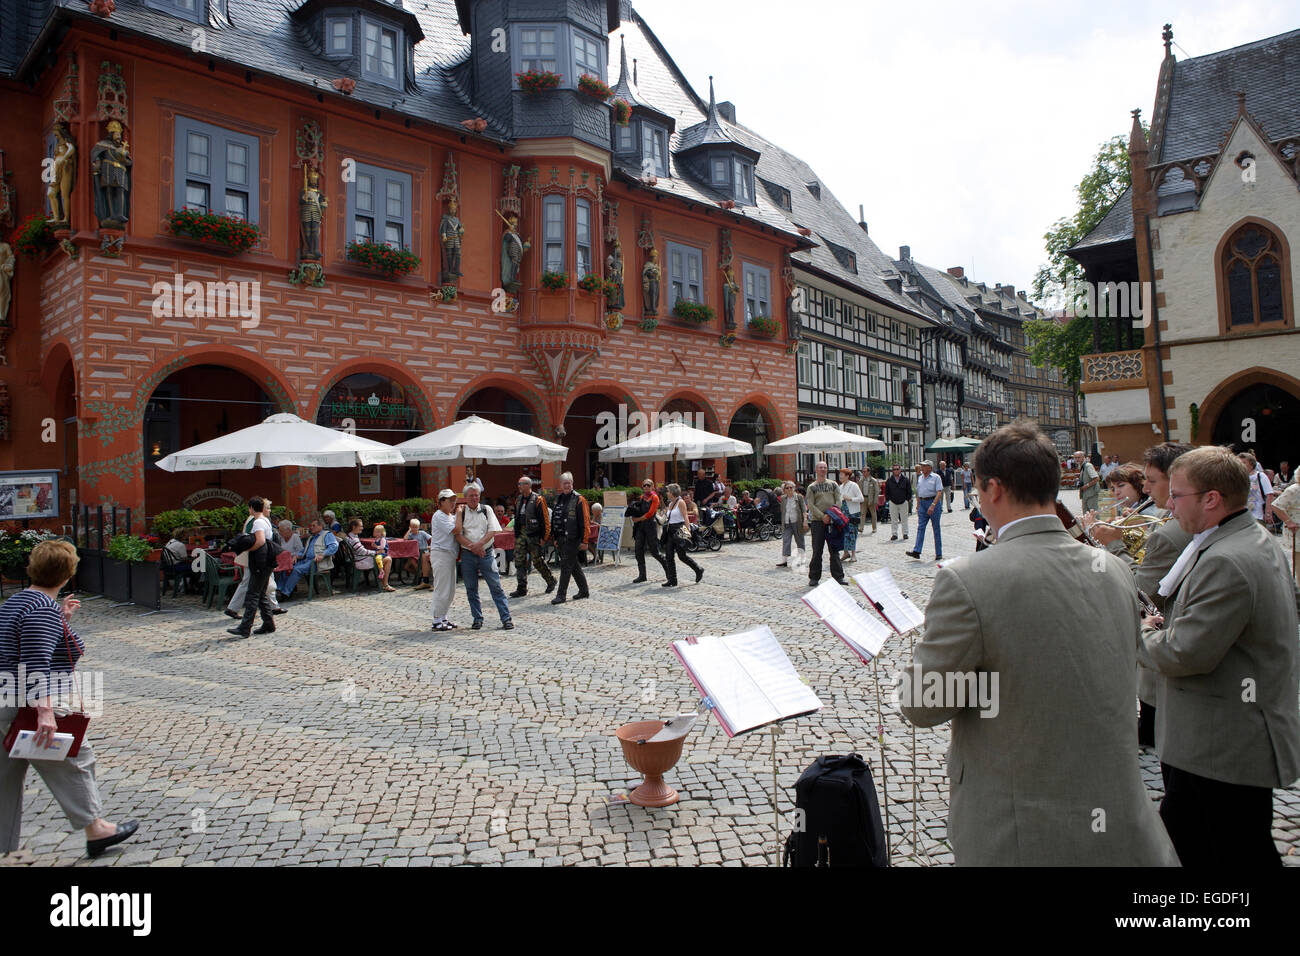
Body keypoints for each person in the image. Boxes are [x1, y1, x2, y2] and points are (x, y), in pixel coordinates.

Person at [900, 422, 1179, 866]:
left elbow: (922, 704)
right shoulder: (1112, 568)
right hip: (1121, 817)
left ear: (992, 489)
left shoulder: (966, 579)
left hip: (1022, 829)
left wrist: (991, 682)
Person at [1139, 445, 1300, 866]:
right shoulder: (1245, 538)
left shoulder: (1227, 558)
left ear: (1211, 499)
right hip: (1222, 738)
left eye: (1178, 495)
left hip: (1220, 744)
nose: (1169, 505)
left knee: (1222, 848)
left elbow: (1183, 653)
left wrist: (1143, 633)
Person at [0, 540, 140, 858]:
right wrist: (45, 713)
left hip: (4, 698)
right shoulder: (41, 611)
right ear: (67, 575)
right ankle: (96, 829)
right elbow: (34, 663)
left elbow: (22, 642)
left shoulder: (17, 602)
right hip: (27, 703)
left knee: (4, 782)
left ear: (31, 568)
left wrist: (61, 617)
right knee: (75, 760)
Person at [452, 484, 512, 630]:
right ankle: (477, 618)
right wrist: (475, 548)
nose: (474, 498)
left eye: (477, 495)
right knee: (471, 588)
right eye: (471, 495)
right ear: (466, 497)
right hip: (468, 555)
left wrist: (479, 545)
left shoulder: (487, 509)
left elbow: (493, 531)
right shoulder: (461, 513)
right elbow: (457, 534)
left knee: (496, 586)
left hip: (486, 553)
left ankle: (506, 618)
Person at [226, 497, 282, 619]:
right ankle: (234, 609)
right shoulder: (256, 520)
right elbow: (257, 539)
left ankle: (273, 607)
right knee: (251, 583)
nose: (269, 510)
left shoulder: (260, 520)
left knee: (260, 583)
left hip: (259, 555)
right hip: (257, 556)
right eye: (268, 508)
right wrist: (249, 549)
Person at [549, 472, 590, 605]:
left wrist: (585, 540)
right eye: (564, 483)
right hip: (561, 538)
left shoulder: (579, 499)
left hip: (573, 538)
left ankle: (561, 595)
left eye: (569, 483)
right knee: (573, 565)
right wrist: (555, 537)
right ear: (561, 485)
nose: (567, 485)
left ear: (572, 483)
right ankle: (584, 590)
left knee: (566, 566)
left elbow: (585, 521)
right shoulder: (559, 498)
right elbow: (556, 519)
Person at [510, 477, 555, 598]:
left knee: (537, 561)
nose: (519, 486)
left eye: (521, 484)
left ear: (528, 485)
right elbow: (517, 516)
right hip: (521, 533)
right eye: (518, 484)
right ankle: (521, 587)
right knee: (519, 560)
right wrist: (517, 533)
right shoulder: (519, 499)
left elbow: (545, 520)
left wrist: (544, 537)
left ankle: (550, 580)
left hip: (534, 535)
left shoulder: (538, 499)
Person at [805, 460, 845, 587]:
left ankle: (838, 577)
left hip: (832, 521)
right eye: (820, 467)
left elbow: (839, 500)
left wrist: (832, 514)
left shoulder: (833, 484)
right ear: (816, 470)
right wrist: (822, 516)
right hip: (818, 523)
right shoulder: (811, 487)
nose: (823, 469)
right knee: (817, 550)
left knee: (834, 550)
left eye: (825, 467)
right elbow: (810, 505)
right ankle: (814, 577)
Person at [278, 518, 338, 599]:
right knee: (288, 567)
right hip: (306, 561)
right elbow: (303, 551)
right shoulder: (312, 538)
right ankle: (279, 590)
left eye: (314, 526)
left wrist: (323, 554)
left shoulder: (327, 535)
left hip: (317, 563)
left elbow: (334, 546)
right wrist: (297, 555)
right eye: (311, 526)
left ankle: (285, 593)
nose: (311, 527)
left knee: (297, 570)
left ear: (321, 526)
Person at [660, 483, 703, 587]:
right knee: (669, 556)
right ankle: (672, 580)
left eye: (668, 491)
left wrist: (688, 532)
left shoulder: (681, 502)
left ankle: (698, 569)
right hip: (670, 530)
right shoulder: (670, 504)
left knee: (682, 556)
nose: (667, 493)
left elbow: (685, 518)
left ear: (672, 492)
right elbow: (667, 518)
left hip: (680, 529)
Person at [429, 490, 460, 631]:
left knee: (450, 589)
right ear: (441, 502)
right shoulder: (439, 516)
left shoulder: (450, 516)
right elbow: (457, 530)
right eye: (449, 500)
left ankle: (443, 617)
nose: (453, 503)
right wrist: (460, 514)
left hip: (450, 554)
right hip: (441, 553)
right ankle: (436, 619)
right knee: (442, 588)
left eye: (454, 500)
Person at [630, 478, 667, 583]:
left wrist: (637, 519)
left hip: (650, 525)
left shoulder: (655, 497)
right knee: (638, 550)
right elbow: (639, 510)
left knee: (654, 552)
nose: (646, 487)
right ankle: (642, 575)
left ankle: (669, 571)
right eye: (644, 485)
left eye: (648, 485)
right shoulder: (642, 497)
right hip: (640, 527)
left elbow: (651, 513)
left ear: (652, 487)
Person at [907, 460, 944, 561]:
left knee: (936, 528)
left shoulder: (936, 477)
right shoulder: (920, 478)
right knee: (920, 527)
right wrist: (918, 505)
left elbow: (939, 492)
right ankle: (917, 551)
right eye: (922, 466)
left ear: (929, 467)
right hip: (923, 504)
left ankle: (939, 553)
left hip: (933, 502)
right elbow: (919, 492)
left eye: (924, 466)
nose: (922, 468)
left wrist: (933, 505)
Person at [775, 480, 808, 567]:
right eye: (787, 488)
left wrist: (805, 521)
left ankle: (802, 557)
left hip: (797, 522)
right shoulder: (783, 498)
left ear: (794, 488)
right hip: (787, 522)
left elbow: (804, 510)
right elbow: (783, 510)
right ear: (784, 490)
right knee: (786, 540)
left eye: (791, 487)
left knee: (799, 540)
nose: (789, 489)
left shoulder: (799, 497)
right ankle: (784, 560)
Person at [1239, 452, 1275, 527]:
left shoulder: (1260, 476)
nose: (1241, 465)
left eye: (1244, 463)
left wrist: (1268, 513)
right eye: (1239, 463)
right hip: (1241, 516)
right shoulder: (1239, 477)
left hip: (1257, 516)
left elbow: (1269, 494)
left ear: (1251, 464)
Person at [838, 468, 864, 563]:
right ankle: (845, 553)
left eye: (842, 474)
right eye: (840, 474)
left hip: (852, 513)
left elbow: (861, 498)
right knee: (844, 533)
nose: (840, 476)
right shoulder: (840, 487)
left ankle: (853, 554)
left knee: (853, 533)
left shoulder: (853, 485)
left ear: (847, 476)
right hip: (843, 513)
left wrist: (851, 499)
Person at [885, 463, 911, 541]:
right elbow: (887, 491)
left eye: (897, 469)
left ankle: (905, 533)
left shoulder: (905, 479)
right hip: (893, 502)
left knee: (904, 519)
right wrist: (889, 499)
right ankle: (894, 534)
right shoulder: (889, 480)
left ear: (900, 470)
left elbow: (909, 490)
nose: (895, 471)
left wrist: (907, 499)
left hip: (903, 502)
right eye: (894, 469)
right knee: (894, 519)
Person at [405, 517, 433, 591]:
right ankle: (420, 574)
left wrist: (430, 546)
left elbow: (431, 539)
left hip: (423, 551)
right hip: (415, 554)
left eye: (416, 527)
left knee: (421, 557)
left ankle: (422, 576)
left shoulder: (422, 533)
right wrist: (409, 530)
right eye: (412, 527)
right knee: (407, 565)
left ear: (419, 527)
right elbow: (405, 539)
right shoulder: (411, 535)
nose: (414, 529)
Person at [1073, 450, 1101, 515]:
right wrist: (1079, 477)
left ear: (1083, 457)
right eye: (1075, 457)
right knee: (1086, 513)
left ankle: (1096, 525)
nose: (1077, 459)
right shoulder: (1082, 466)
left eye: (1079, 457)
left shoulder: (1088, 465)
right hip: (1085, 494)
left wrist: (1087, 485)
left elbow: (1096, 478)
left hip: (1091, 493)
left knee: (1093, 513)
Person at [371, 524, 397, 592]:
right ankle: (384, 583)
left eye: (377, 532)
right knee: (381, 559)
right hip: (378, 553)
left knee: (378, 559)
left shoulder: (382, 539)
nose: (375, 533)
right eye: (375, 532)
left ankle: (381, 570)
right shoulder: (376, 539)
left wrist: (376, 546)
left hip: (382, 554)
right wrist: (374, 545)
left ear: (382, 533)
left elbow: (382, 547)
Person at [861, 467, 880, 536]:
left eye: (865, 471)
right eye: (862, 471)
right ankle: (861, 527)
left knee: (873, 514)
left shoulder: (873, 480)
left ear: (868, 472)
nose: (863, 473)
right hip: (864, 498)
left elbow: (877, 491)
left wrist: (875, 501)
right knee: (862, 513)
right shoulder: (861, 480)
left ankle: (874, 528)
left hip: (871, 499)